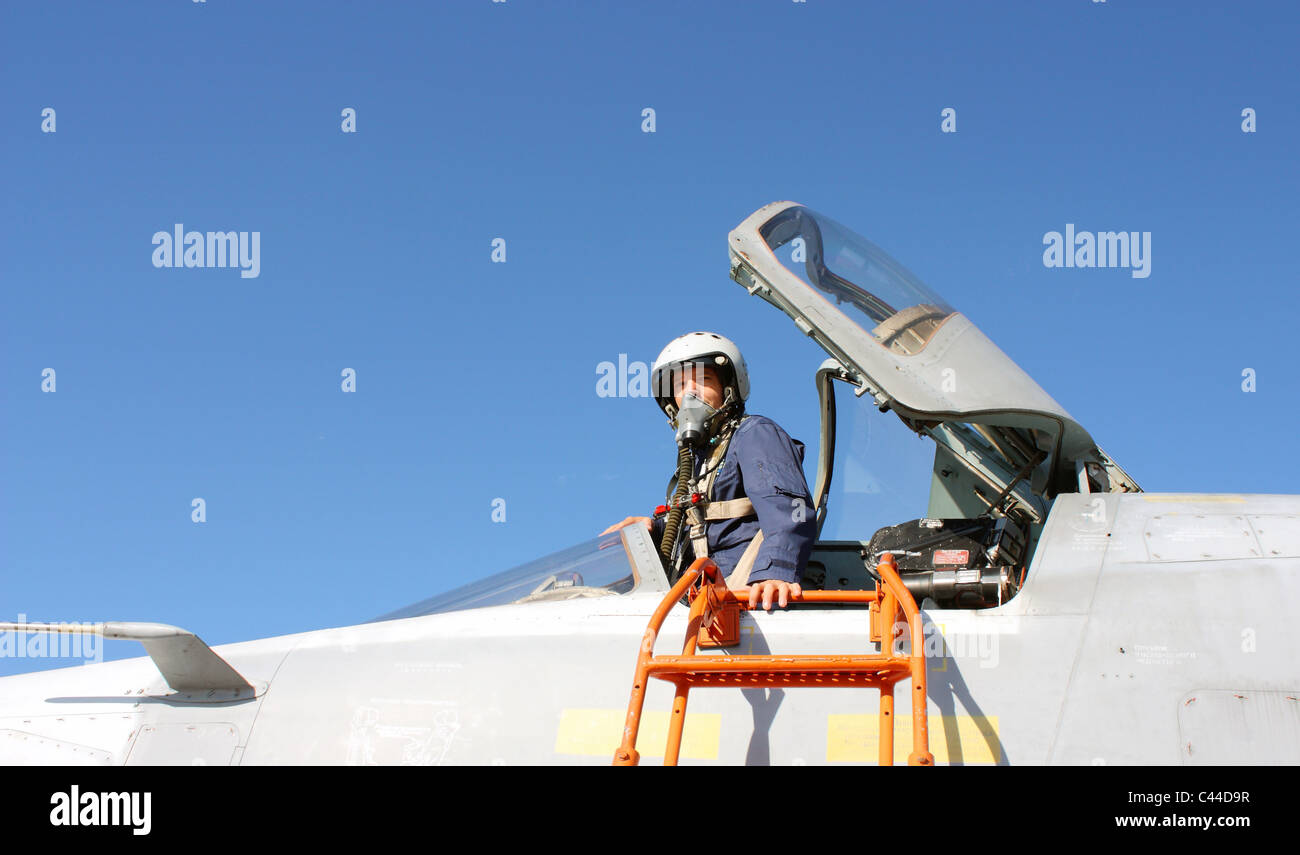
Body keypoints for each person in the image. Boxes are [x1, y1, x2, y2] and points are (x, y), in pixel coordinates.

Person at [601, 332, 816, 611]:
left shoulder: (754, 434)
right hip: (703, 598)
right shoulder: (696, 463)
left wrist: (776, 572)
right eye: (680, 385)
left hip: (749, 597)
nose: (690, 393)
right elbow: (704, 522)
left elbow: (791, 509)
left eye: (704, 380)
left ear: (729, 389)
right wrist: (654, 528)